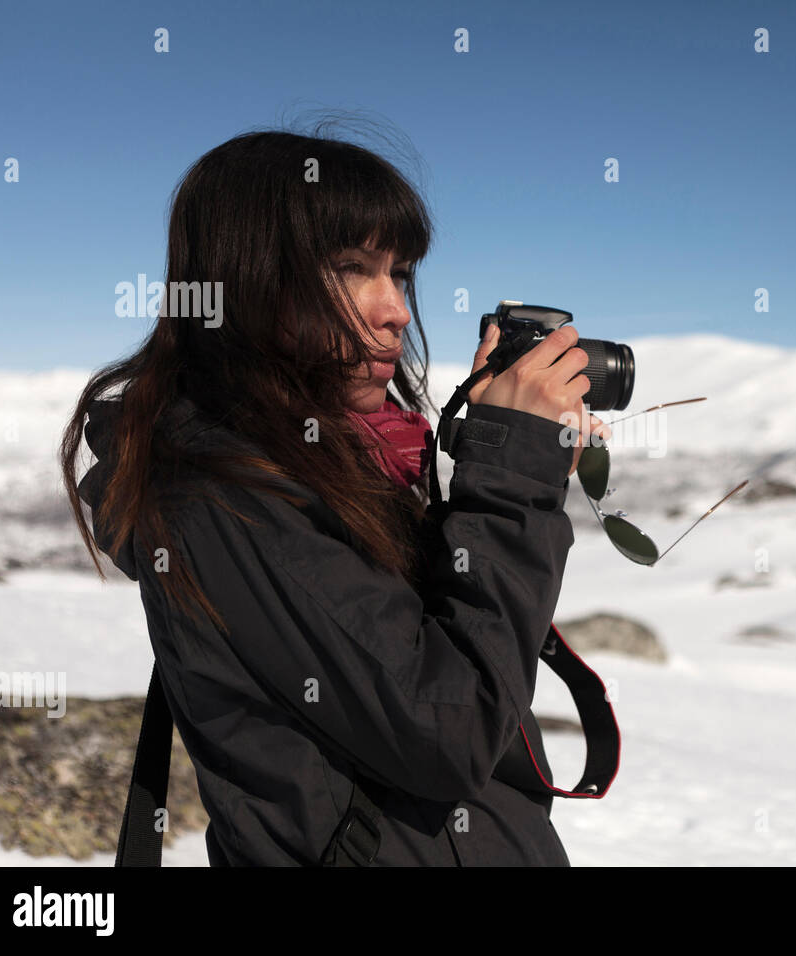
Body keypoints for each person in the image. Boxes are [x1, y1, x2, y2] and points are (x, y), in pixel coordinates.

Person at [61, 122, 611, 865]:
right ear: (246, 281)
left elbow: (412, 642)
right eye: (354, 268)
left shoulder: (340, 459)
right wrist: (509, 483)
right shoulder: (224, 493)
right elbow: (449, 729)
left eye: (402, 274)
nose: (397, 312)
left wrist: (498, 462)